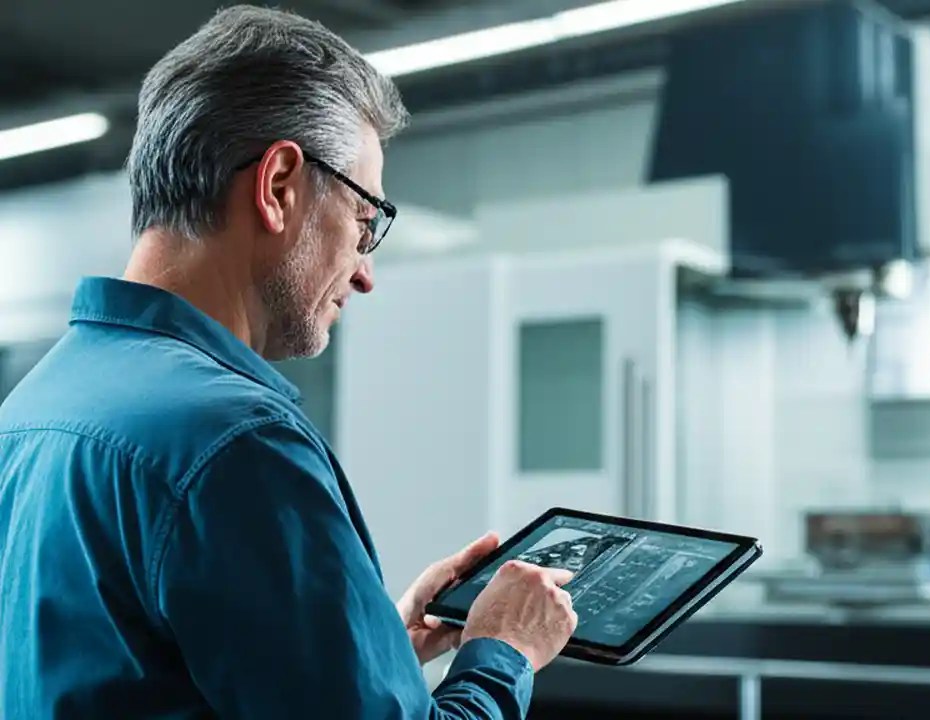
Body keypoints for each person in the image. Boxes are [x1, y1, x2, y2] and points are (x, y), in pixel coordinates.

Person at [0, 6, 577, 719]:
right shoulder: (234, 441)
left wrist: (375, 646)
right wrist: (504, 651)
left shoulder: (31, 410)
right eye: (366, 223)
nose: (365, 273)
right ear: (278, 187)